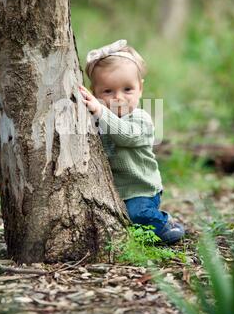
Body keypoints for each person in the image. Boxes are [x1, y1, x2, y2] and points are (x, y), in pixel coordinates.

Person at [78, 39, 184, 245]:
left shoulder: (141, 118)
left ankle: (166, 224)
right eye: (108, 91)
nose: (119, 98)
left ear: (140, 89)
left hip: (141, 189)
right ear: (95, 92)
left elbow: (126, 135)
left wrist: (100, 111)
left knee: (137, 215)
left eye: (127, 89)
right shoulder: (98, 119)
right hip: (115, 189)